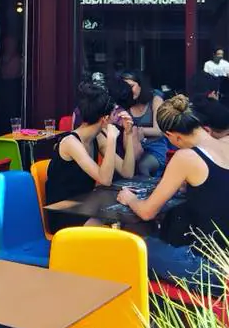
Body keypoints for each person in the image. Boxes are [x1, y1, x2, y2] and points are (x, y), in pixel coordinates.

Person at [117, 95, 229, 286]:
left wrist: (129, 198)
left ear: (171, 136)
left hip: (210, 268)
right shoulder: (225, 142)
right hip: (223, 257)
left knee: (128, 248)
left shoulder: (186, 157)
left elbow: (146, 211)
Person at [46, 82, 135, 233]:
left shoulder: (98, 138)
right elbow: (105, 179)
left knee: (130, 225)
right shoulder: (71, 142)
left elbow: (127, 172)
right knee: (111, 234)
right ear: (105, 119)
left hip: (87, 206)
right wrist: (112, 139)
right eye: (113, 114)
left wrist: (129, 134)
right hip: (65, 212)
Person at [121, 71, 169, 176]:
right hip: (133, 146)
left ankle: (144, 191)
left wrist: (138, 130)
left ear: (140, 85)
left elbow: (159, 130)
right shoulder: (125, 105)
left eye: (132, 86)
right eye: (126, 87)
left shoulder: (155, 100)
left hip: (154, 147)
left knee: (142, 166)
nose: (129, 90)